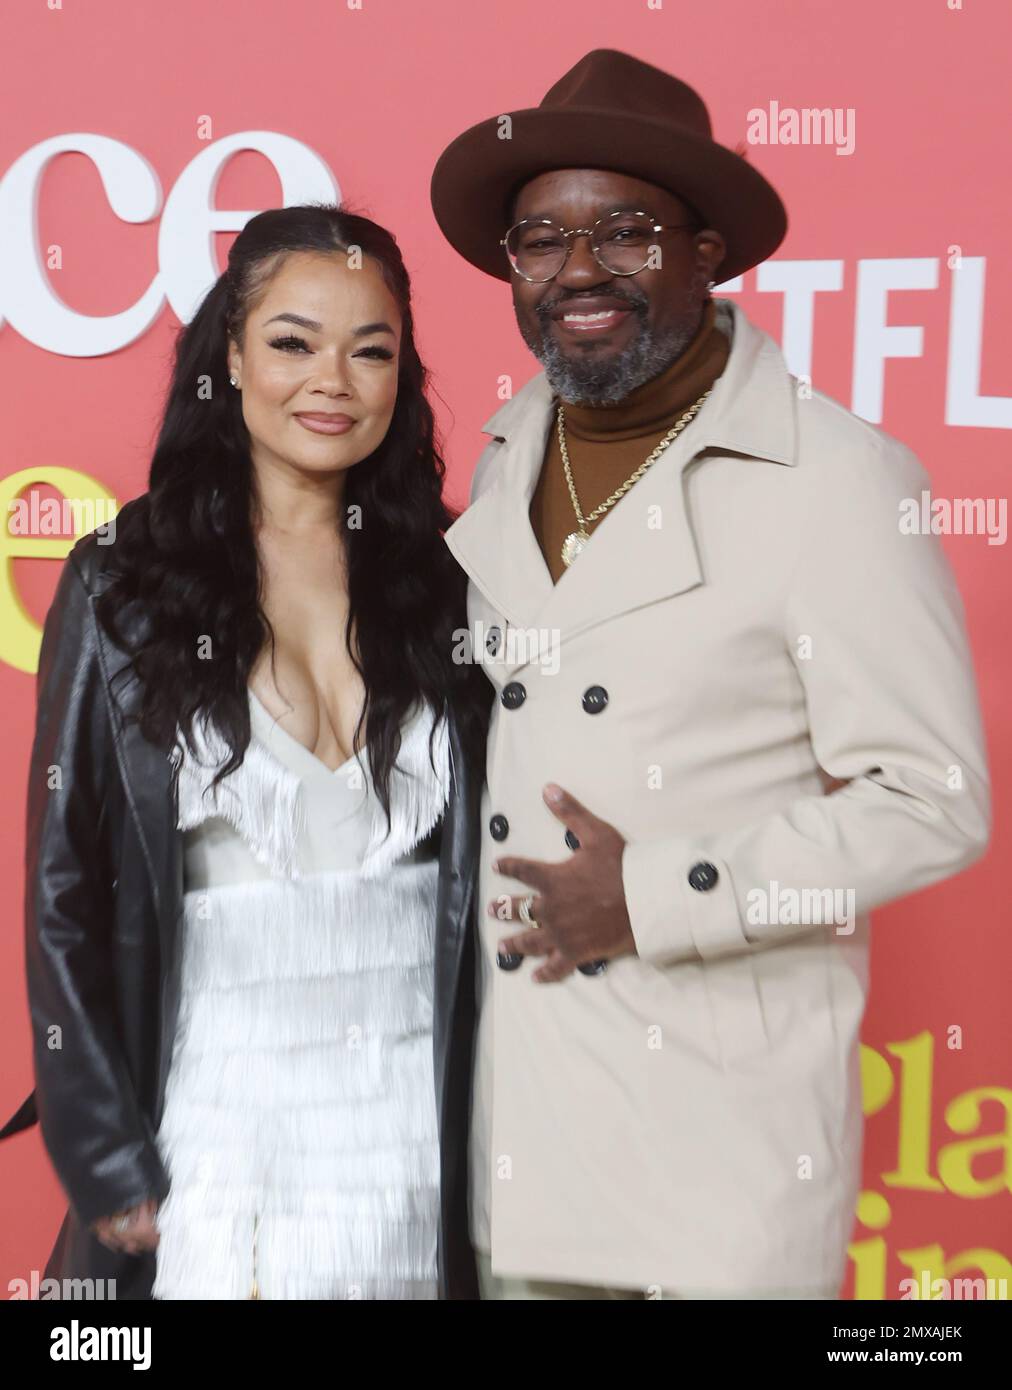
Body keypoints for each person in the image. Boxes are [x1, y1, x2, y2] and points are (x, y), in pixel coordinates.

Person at [429, 48, 992, 1299]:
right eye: (540, 240)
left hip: (711, 1161)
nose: (578, 270)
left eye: (625, 232)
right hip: (518, 1141)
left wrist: (664, 895)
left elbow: (933, 797)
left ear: (708, 249)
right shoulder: (506, 456)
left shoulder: (837, 480)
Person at [0, 203, 488, 1299]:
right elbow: (62, 885)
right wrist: (102, 1148)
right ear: (227, 352)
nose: (334, 380)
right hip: (216, 1121)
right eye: (292, 342)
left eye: (373, 351)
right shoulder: (121, 581)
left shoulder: (452, 582)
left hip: (413, 1127)